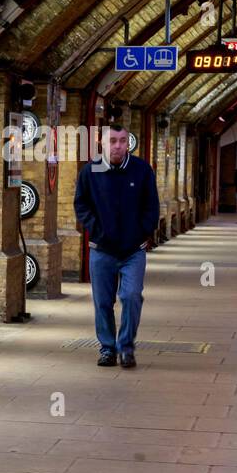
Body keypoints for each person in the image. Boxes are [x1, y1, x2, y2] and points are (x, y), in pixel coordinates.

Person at [73, 123, 160, 368]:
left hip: (133, 250)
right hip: (101, 250)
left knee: (132, 296)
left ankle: (126, 347)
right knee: (103, 301)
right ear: (102, 142)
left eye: (122, 141)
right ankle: (107, 348)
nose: (118, 146)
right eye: (113, 141)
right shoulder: (90, 171)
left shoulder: (141, 170)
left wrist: (143, 231)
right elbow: (81, 204)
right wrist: (97, 230)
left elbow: (151, 206)